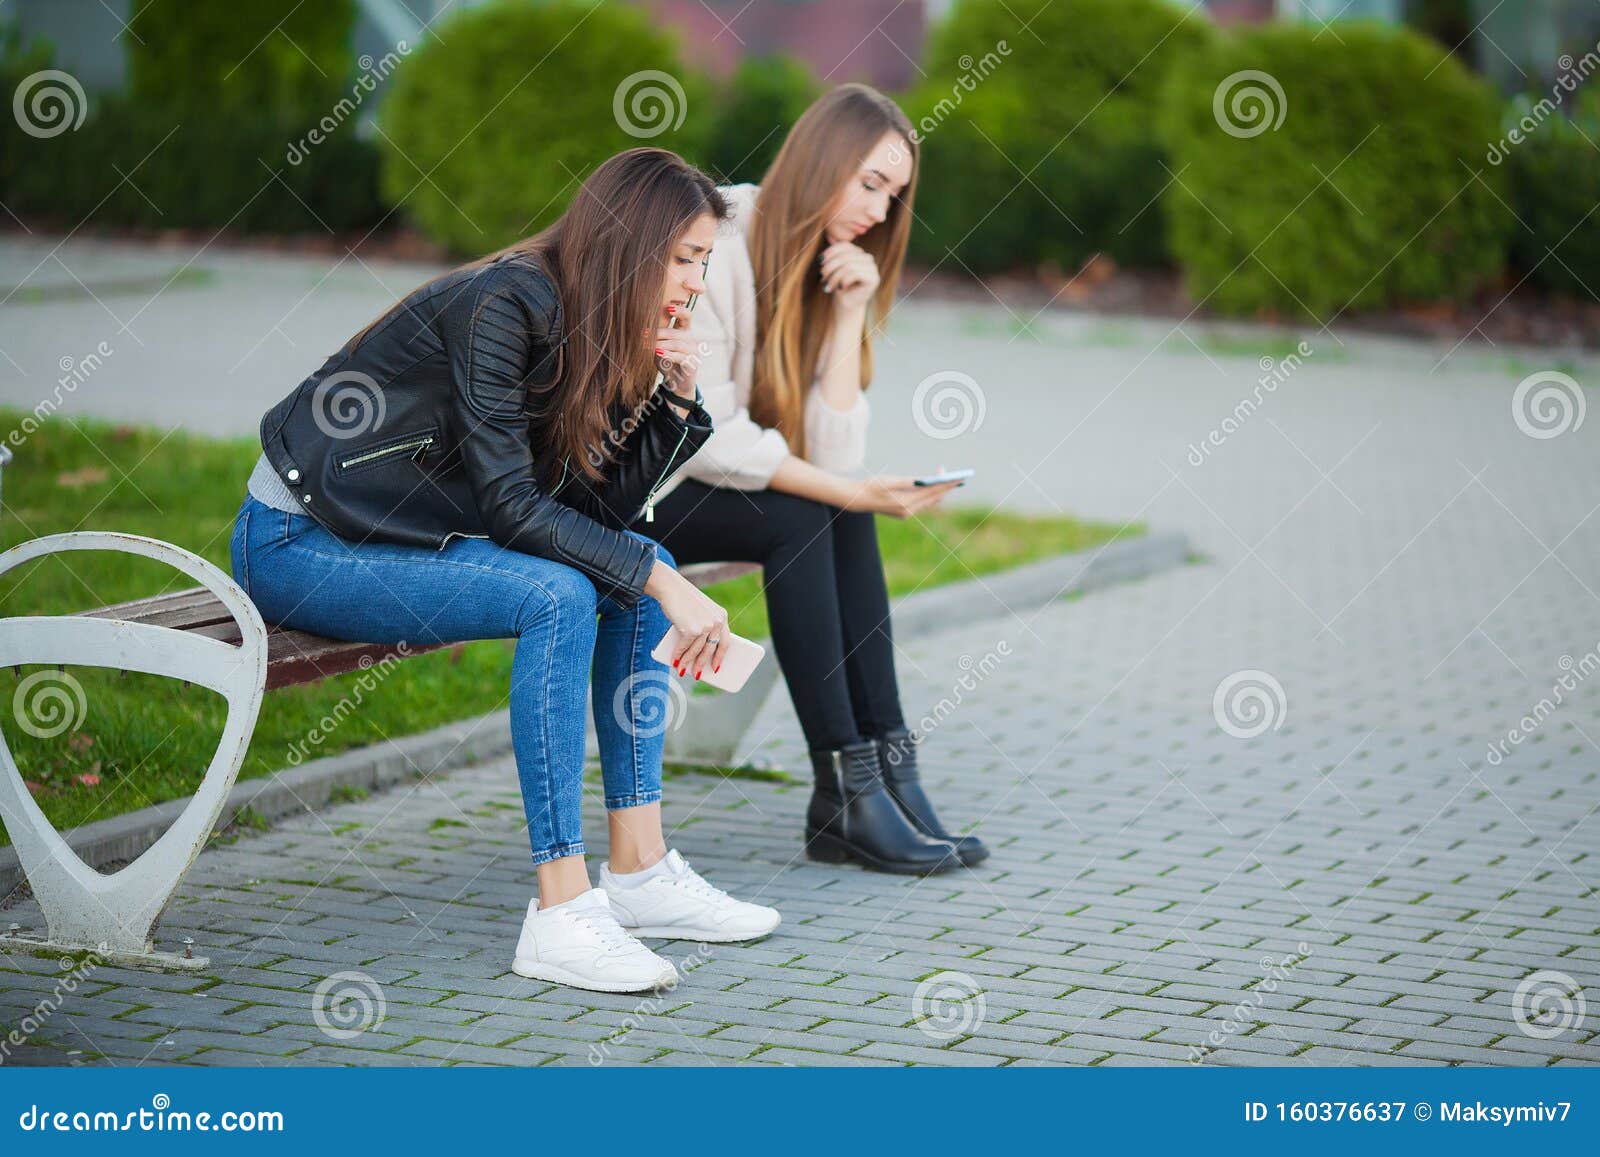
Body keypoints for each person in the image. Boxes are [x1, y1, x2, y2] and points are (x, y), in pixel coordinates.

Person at [230, 148, 778, 995]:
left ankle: (638, 868)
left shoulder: (588, 317)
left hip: (398, 537)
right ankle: (560, 912)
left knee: (640, 569)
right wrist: (662, 581)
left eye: (703, 261)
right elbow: (514, 512)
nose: (694, 283)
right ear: (629, 244)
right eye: (682, 258)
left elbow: (593, 516)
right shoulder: (501, 305)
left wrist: (673, 399)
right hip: (301, 542)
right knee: (563, 595)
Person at [634, 86, 989, 875]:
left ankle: (884, 772)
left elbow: (833, 460)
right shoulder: (722, 239)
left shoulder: (819, 262)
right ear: (823, 160)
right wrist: (847, 489)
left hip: (689, 483)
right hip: (626, 490)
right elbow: (704, 437)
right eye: (868, 182)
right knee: (804, 513)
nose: (880, 209)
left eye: (893, 195)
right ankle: (843, 787)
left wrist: (845, 315)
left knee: (835, 509)